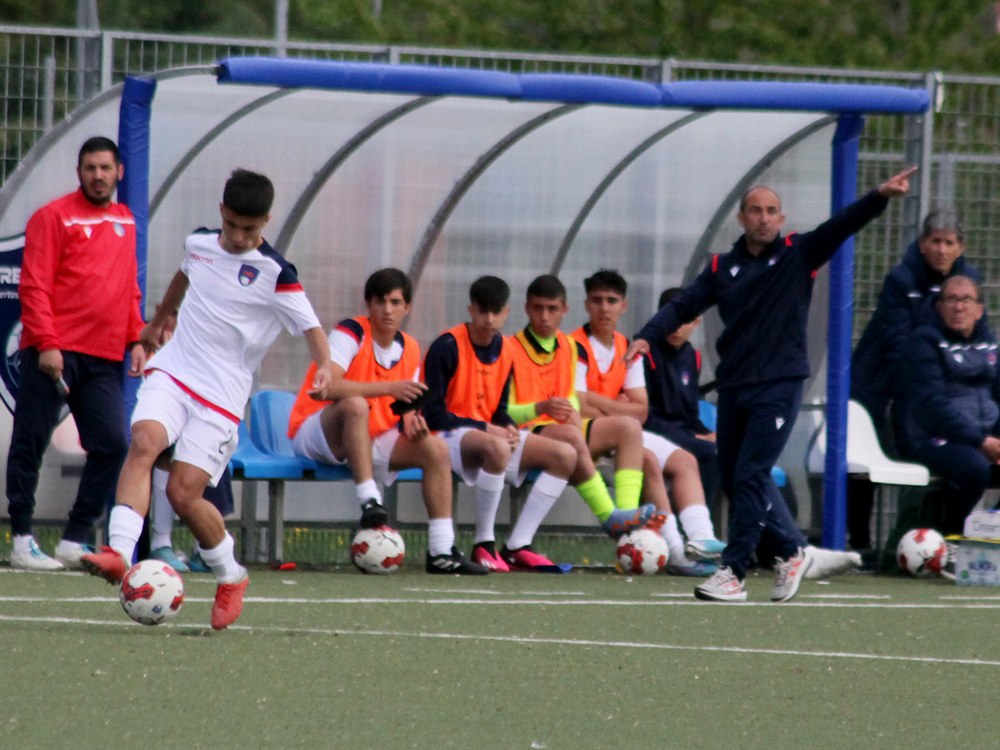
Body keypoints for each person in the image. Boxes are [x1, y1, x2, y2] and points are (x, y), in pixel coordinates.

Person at [626, 166, 916, 602]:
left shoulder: (798, 253)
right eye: (755, 211)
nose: (764, 218)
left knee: (751, 473)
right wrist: (646, 336)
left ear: (781, 220)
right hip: (735, 386)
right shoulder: (723, 267)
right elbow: (685, 303)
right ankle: (793, 552)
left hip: (778, 384)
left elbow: (841, 226)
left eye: (772, 211)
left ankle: (734, 572)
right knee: (735, 475)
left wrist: (878, 196)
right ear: (741, 219)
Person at [81, 168, 333, 630]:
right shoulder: (199, 244)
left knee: (182, 492)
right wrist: (159, 322)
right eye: (233, 225)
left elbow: (312, 328)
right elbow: (183, 277)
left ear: (266, 223)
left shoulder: (278, 274)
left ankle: (231, 575)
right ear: (221, 212)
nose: (238, 237)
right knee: (143, 441)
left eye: (250, 230)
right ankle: (118, 553)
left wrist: (327, 368)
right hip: (175, 371)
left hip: (221, 397)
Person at [645, 288, 862, 581]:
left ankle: (778, 551)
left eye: (685, 319)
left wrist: (706, 433)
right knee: (723, 460)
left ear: (696, 322)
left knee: (747, 466)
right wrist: (701, 440)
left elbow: (688, 416)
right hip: (654, 438)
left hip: (682, 438)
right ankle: (707, 544)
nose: (677, 326)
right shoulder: (647, 355)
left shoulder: (692, 358)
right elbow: (649, 418)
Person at [287, 267, 487, 575]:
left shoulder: (409, 347)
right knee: (354, 405)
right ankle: (369, 501)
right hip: (318, 431)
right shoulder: (350, 332)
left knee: (435, 449)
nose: (387, 310)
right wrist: (389, 388)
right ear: (368, 305)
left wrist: (410, 417)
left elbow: (403, 403)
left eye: (395, 302)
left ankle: (441, 550)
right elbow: (325, 389)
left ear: (407, 307)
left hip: (370, 435)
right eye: (380, 302)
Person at [6, 136, 147, 571]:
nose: (98, 176)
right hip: (56, 352)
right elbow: (34, 284)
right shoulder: (53, 217)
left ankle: (75, 538)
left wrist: (136, 337)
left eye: (105, 168)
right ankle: (23, 539)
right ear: (79, 172)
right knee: (31, 441)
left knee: (112, 444)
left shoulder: (125, 220)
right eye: (90, 168)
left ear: (119, 172)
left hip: (104, 357)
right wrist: (47, 343)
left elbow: (127, 288)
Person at [570, 270, 723, 576]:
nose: (604, 308)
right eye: (597, 300)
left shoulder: (629, 347)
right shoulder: (574, 345)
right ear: (586, 304)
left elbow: (640, 410)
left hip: (624, 431)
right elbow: (580, 403)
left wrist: (603, 404)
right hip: (586, 433)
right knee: (649, 460)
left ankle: (701, 539)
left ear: (623, 306)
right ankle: (677, 554)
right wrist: (618, 409)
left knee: (686, 460)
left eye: (611, 301)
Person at [422, 275, 578, 571]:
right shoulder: (447, 345)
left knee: (565, 455)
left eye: (496, 312)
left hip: (485, 436)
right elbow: (432, 414)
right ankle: (484, 543)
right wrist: (489, 429)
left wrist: (507, 426)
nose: (489, 319)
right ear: (471, 310)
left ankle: (518, 544)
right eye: (483, 311)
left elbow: (500, 408)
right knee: (497, 447)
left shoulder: (507, 349)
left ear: (506, 312)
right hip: (445, 436)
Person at [849, 209, 981, 551]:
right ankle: (859, 544)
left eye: (948, 242)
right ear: (922, 244)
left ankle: (951, 538)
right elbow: (897, 343)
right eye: (935, 241)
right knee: (861, 462)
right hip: (878, 384)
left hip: (929, 388)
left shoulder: (969, 282)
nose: (941, 249)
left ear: (960, 247)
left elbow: (976, 338)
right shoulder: (901, 280)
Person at [506, 274, 655, 539]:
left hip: (563, 429)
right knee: (573, 437)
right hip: (525, 431)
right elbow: (505, 410)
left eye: (552, 309)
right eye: (538, 308)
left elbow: (574, 398)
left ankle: (627, 520)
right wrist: (541, 408)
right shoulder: (510, 348)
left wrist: (573, 411)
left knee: (631, 429)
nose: (544, 316)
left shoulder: (567, 346)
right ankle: (609, 517)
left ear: (565, 310)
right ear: (526, 308)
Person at [896, 276, 1000, 542]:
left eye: (966, 300)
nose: (959, 307)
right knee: (974, 468)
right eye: (951, 299)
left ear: (979, 310)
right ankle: (950, 534)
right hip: (933, 439)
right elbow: (932, 406)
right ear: (939, 306)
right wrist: (981, 440)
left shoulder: (989, 344)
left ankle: (989, 532)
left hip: (983, 438)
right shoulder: (923, 343)